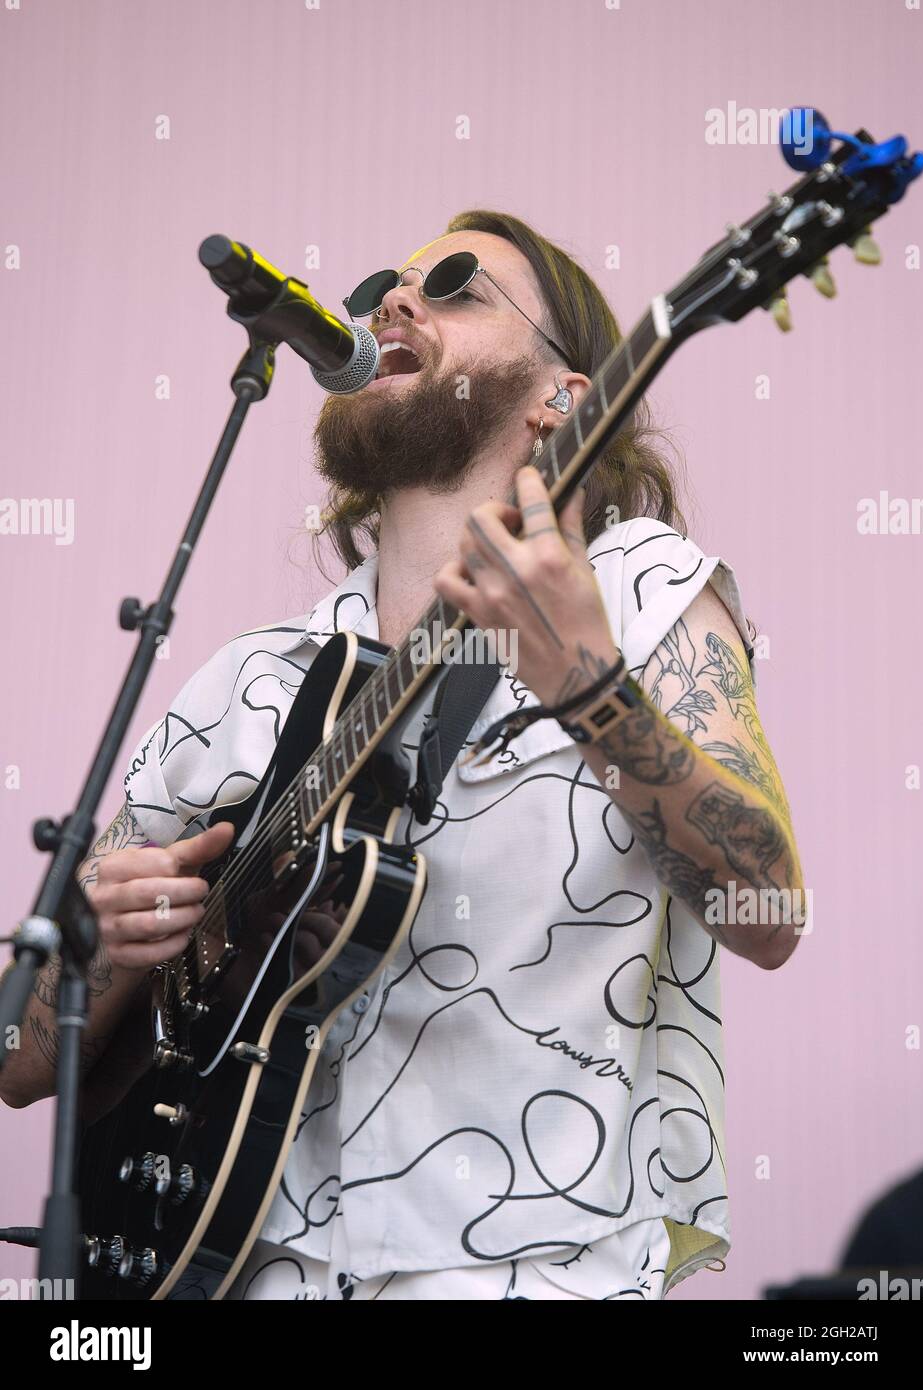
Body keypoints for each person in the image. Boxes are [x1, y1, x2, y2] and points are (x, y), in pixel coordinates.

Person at [0, 210, 805, 1301]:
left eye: (458, 284)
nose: (393, 299)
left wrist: (588, 686)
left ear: (563, 395)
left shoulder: (641, 597)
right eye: (386, 282)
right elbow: (18, 1064)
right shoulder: (248, 683)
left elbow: (769, 912)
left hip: (529, 1277)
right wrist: (90, 946)